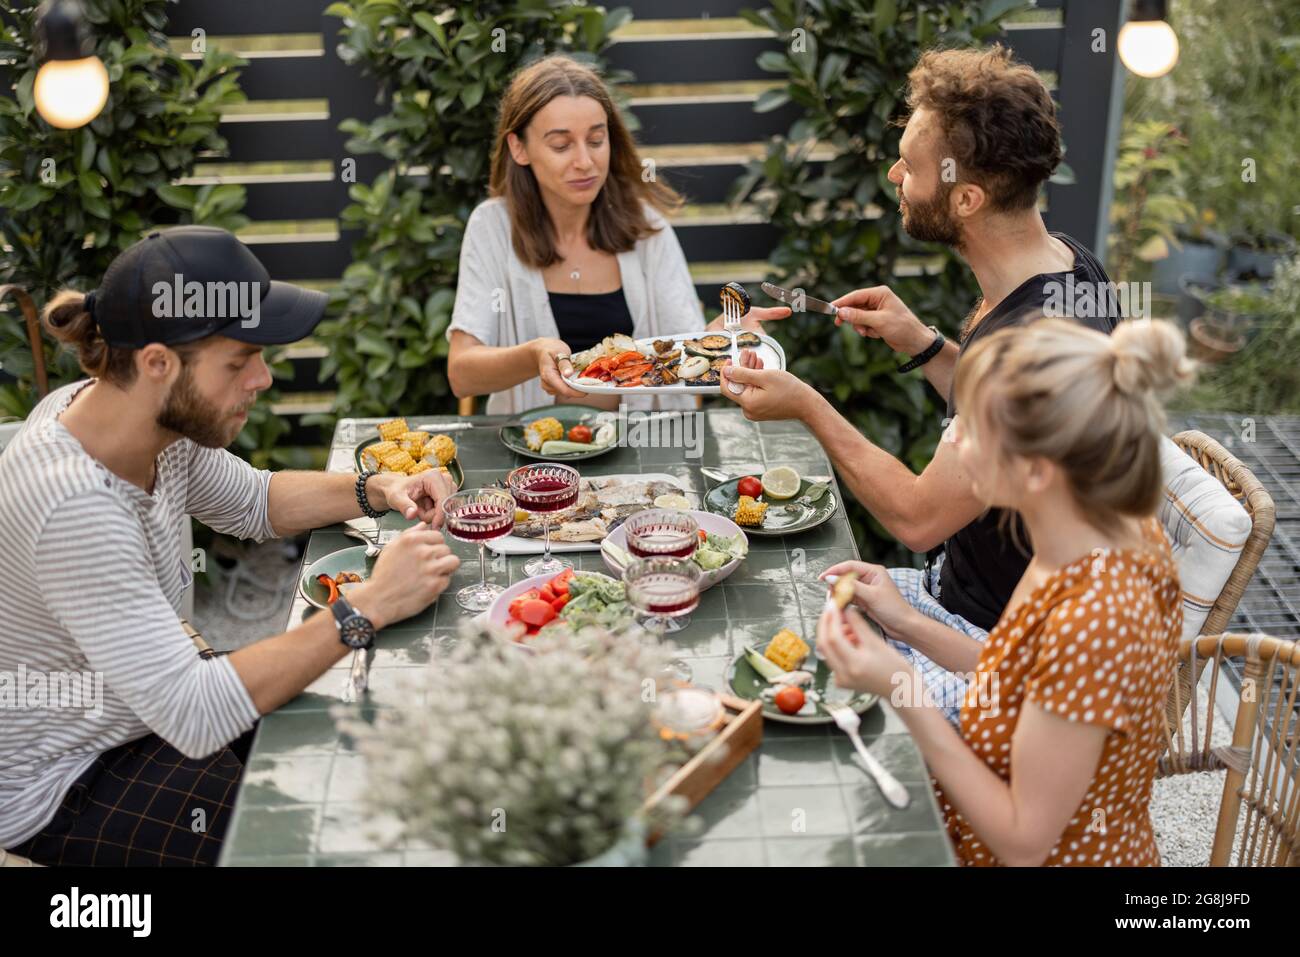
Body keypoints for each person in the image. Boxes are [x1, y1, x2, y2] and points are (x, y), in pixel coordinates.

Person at [0, 226, 460, 866]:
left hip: (149, 709)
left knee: (373, 738)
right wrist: (368, 607)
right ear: (158, 362)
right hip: (69, 779)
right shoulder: (73, 505)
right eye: (241, 360)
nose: (265, 378)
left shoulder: (138, 412)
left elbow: (255, 502)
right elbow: (196, 710)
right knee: (321, 839)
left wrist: (379, 487)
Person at [721, 45, 1122, 718]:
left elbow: (917, 515)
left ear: (967, 197)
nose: (894, 173)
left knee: (779, 688)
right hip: (956, 595)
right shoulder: (1069, 268)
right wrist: (928, 344)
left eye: (910, 164)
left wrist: (807, 409)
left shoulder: (1031, 346)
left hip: (992, 643)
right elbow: (1006, 414)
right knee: (769, 600)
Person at [817, 317, 1191, 866]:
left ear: (1036, 470)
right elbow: (1011, 674)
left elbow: (1023, 840)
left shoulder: (1100, 618)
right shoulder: (1079, 527)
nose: (951, 438)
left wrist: (900, 686)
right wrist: (908, 624)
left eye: (969, 427)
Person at [447, 54, 789, 414]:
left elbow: (687, 360)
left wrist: (722, 340)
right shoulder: (492, 228)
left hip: (644, 451)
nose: (584, 161)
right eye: (561, 145)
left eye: (596, 140)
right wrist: (534, 356)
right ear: (518, 147)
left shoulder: (646, 229)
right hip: (534, 457)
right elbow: (462, 374)